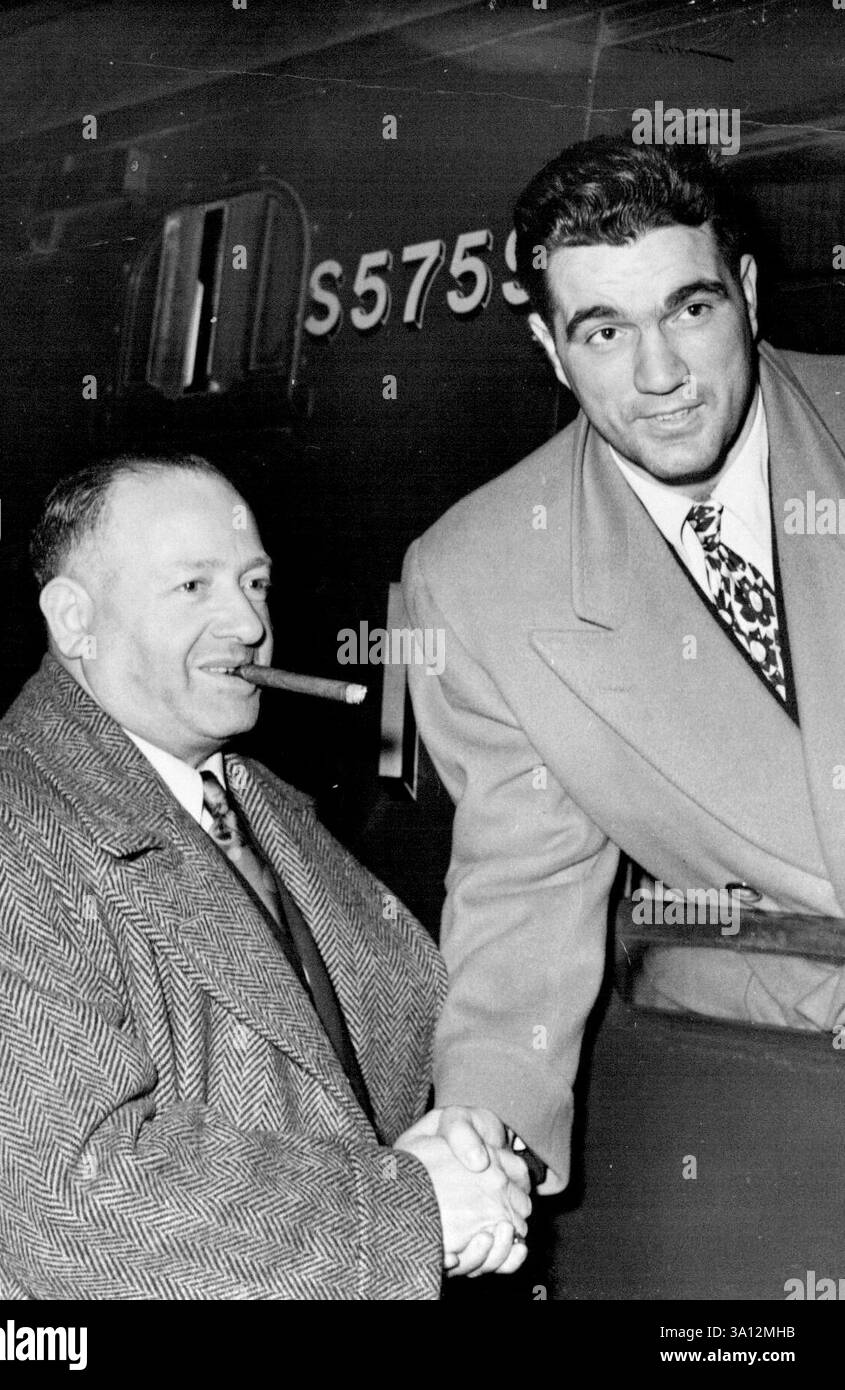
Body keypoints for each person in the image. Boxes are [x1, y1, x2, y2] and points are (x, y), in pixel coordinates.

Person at [0, 452, 531, 1300]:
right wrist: (410, 1212)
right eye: (193, 588)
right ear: (75, 621)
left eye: (254, 585)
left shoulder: (262, 807)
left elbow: (381, 1064)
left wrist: (470, 1157)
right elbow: (86, 1193)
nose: (248, 624)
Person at [403, 135, 845, 1197]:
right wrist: (486, 1145)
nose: (661, 378)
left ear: (744, 293)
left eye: (689, 310)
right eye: (605, 331)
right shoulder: (479, 576)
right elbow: (525, 891)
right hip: (791, 1075)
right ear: (553, 349)